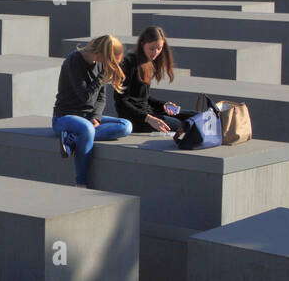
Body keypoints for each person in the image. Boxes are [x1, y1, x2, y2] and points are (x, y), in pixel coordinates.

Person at [52, 35, 131, 188]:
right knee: (86, 128)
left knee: (126, 125)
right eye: (111, 61)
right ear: (102, 54)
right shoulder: (74, 61)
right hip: (64, 118)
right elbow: (85, 97)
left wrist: (96, 118)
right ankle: (80, 182)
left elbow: (101, 98)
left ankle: (74, 138)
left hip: (87, 119)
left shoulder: (100, 64)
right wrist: (103, 76)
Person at [113, 26, 196, 133]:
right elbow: (121, 102)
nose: (156, 52)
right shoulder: (128, 64)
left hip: (149, 112)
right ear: (142, 44)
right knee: (181, 125)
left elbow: (143, 98)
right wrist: (148, 118)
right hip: (136, 118)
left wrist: (163, 105)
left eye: (159, 48)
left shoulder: (148, 62)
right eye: (151, 49)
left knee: (195, 116)